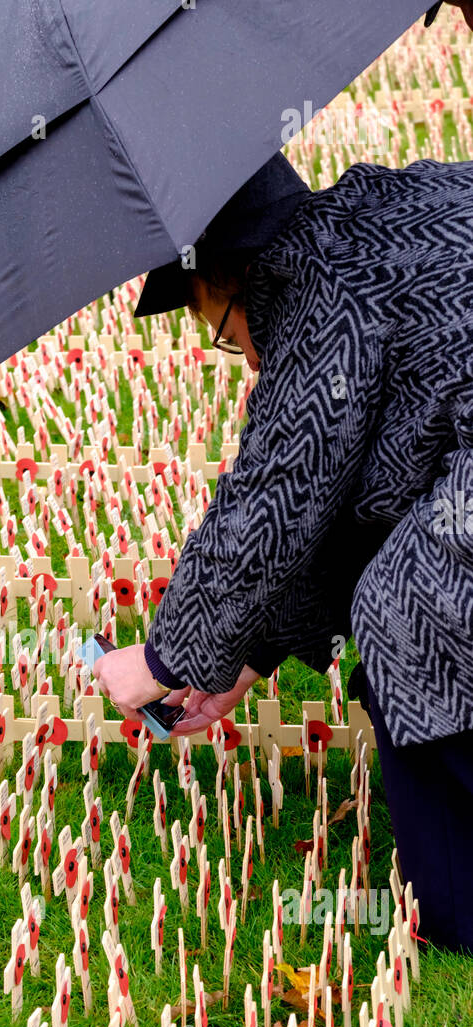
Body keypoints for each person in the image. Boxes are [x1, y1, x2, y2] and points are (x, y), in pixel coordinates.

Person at [93, 148, 473, 953]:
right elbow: (357, 499)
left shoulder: (314, 290)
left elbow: (278, 493)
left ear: (233, 280)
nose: (252, 359)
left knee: (409, 600)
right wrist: (246, 657)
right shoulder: (383, 210)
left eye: (227, 335)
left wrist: (164, 660)